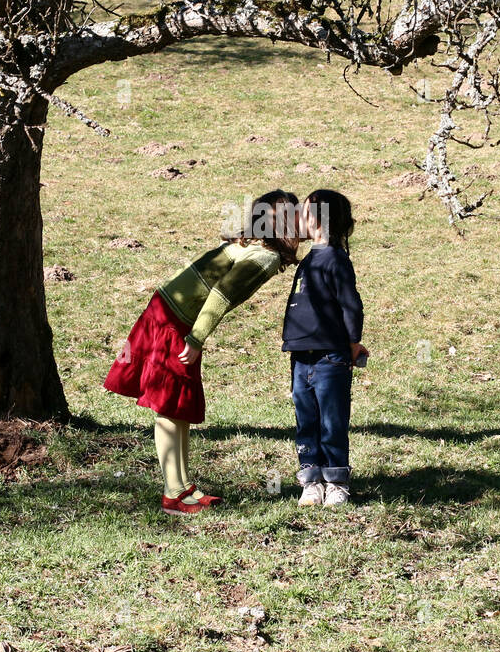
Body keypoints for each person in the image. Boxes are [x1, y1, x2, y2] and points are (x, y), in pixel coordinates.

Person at [105, 190, 299, 515]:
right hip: (174, 321)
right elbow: (221, 295)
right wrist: (196, 339)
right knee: (169, 406)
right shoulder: (264, 256)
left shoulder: (250, 245)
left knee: (179, 407)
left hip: (171, 312)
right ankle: (172, 494)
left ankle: (182, 487)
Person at [281, 189, 367, 507]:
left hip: (331, 356)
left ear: (318, 219)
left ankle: (336, 482)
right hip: (301, 356)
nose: (299, 219)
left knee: (332, 420)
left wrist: (352, 342)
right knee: (307, 419)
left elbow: (351, 306)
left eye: (304, 212)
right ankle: (311, 481)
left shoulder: (335, 259)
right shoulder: (309, 260)